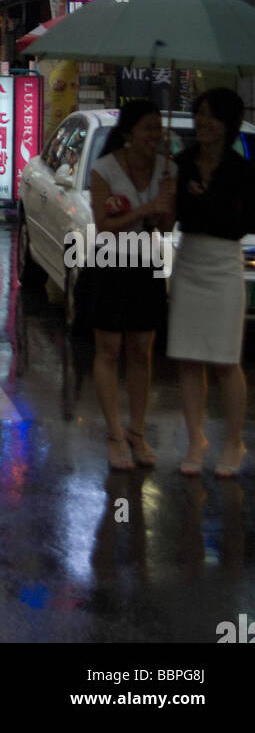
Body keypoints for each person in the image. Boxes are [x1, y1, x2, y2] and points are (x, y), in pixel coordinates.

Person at [168, 88, 255, 478]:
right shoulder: (181, 163)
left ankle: (234, 441)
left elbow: (243, 223)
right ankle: (195, 439)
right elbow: (173, 217)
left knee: (224, 360)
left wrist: (207, 200)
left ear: (227, 123)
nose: (202, 122)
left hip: (223, 264)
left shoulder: (241, 170)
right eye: (199, 113)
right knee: (188, 357)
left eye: (211, 116)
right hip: (189, 259)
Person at [88, 100, 177, 471]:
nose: (155, 136)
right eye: (148, 129)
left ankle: (137, 431)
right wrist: (145, 208)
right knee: (109, 348)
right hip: (111, 260)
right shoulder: (104, 168)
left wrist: (166, 206)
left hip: (147, 261)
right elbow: (104, 224)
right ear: (129, 133)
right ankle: (113, 433)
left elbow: (166, 229)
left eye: (159, 129)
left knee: (142, 349)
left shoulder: (167, 170)